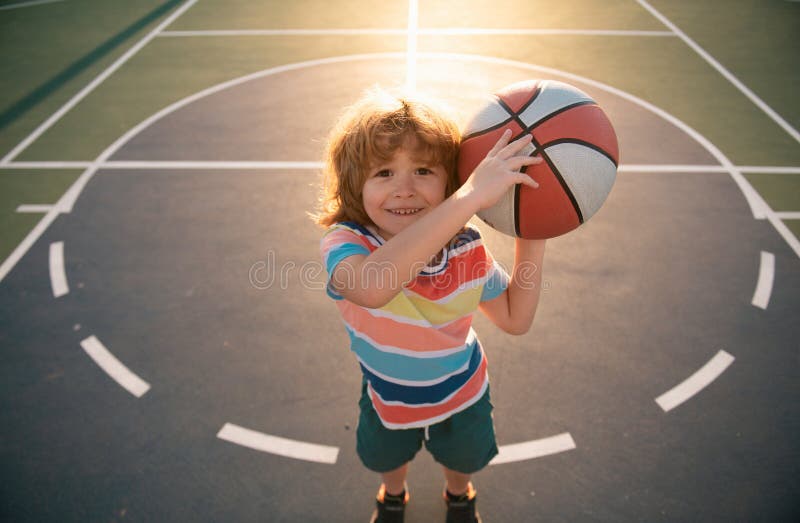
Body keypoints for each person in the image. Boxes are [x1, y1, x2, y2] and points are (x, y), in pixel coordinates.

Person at [315, 87, 547, 523]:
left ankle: (459, 497)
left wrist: (534, 227)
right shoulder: (346, 244)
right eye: (383, 173)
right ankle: (393, 494)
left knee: (460, 462)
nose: (404, 189)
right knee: (389, 460)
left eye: (423, 170)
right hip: (387, 393)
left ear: (449, 181)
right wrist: (469, 199)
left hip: (462, 390)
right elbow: (372, 287)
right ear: (353, 185)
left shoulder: (467, 251)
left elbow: (516, 318)